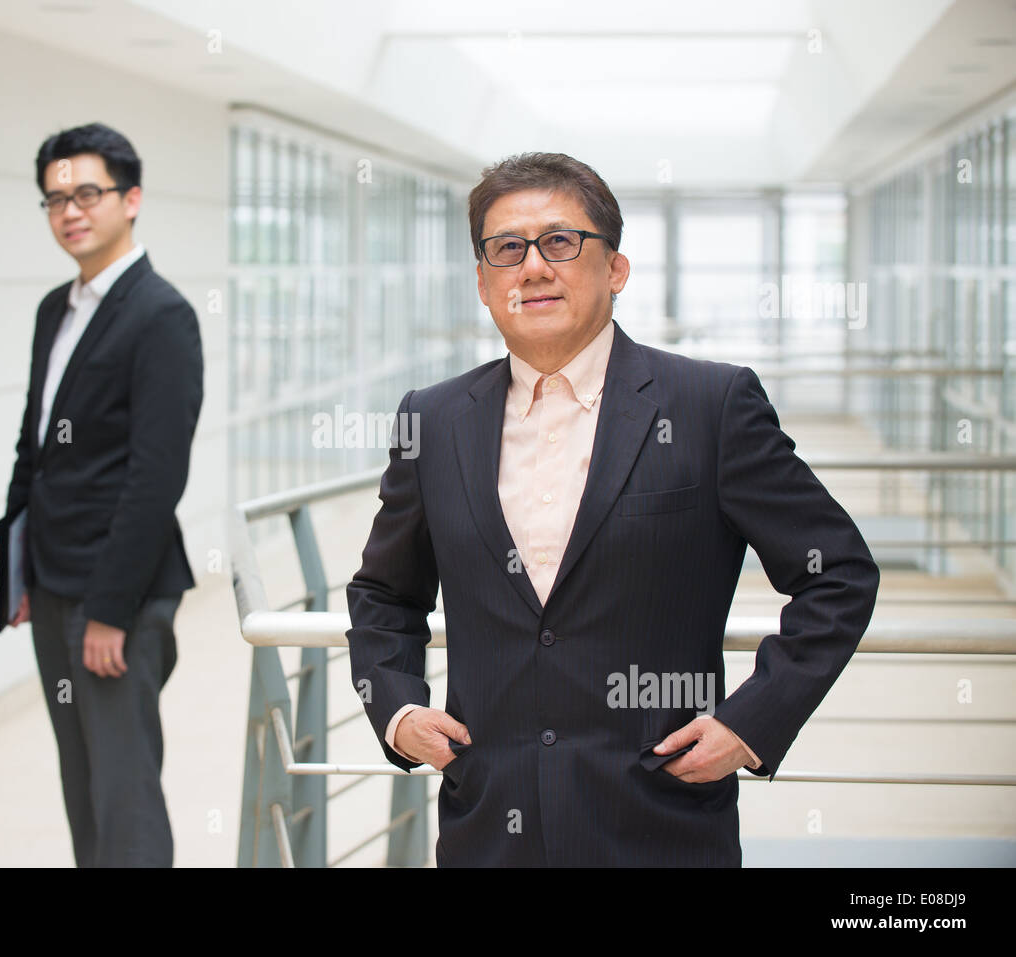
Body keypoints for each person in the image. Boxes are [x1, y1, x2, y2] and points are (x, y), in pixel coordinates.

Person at [346, 152, 880, 866]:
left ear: (616, 269)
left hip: (658, 823)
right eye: (507, 249)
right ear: (483, 281)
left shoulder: (709, 405)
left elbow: (837, 572)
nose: (533, 266)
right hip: (489, 827)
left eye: (560, 242)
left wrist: (752, 721)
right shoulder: (433, 419)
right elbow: (383, 592)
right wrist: (398, 709)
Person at [0, 123, 203, 867]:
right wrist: (16, 571)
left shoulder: (161, 314)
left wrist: (110, 608)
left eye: (87, 192)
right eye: (54, 198)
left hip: (116, 593)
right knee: (81, 778)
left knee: (123, 787)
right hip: (52, 584)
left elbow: (156, 475)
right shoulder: (58, 307)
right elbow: (36, 448)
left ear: (132, 198)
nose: (69, 211)